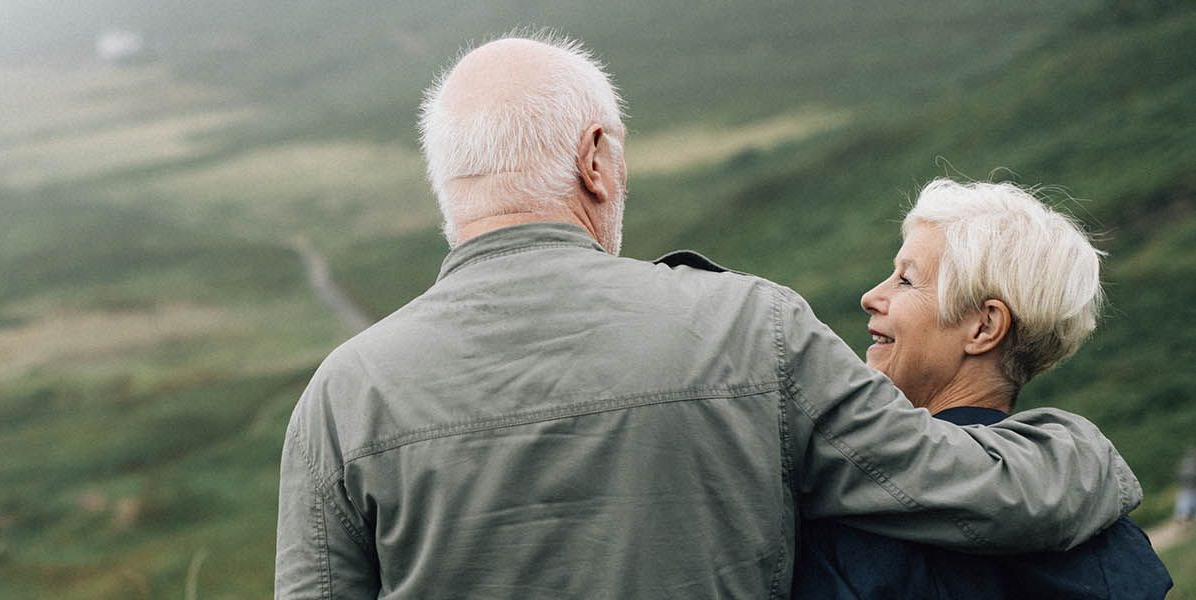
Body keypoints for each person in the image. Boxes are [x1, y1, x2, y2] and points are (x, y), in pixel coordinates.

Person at [273, 36, 1142, 598]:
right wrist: (1087, 451)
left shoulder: (339, 398)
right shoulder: (751, 330)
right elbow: (971, 490)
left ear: (448, 186)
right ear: (596, 162)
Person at [791, 180, 1171, 599]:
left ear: (984, 327)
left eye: (906, 280)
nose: (871, 296)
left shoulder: (848, 530)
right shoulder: (1109, 530)